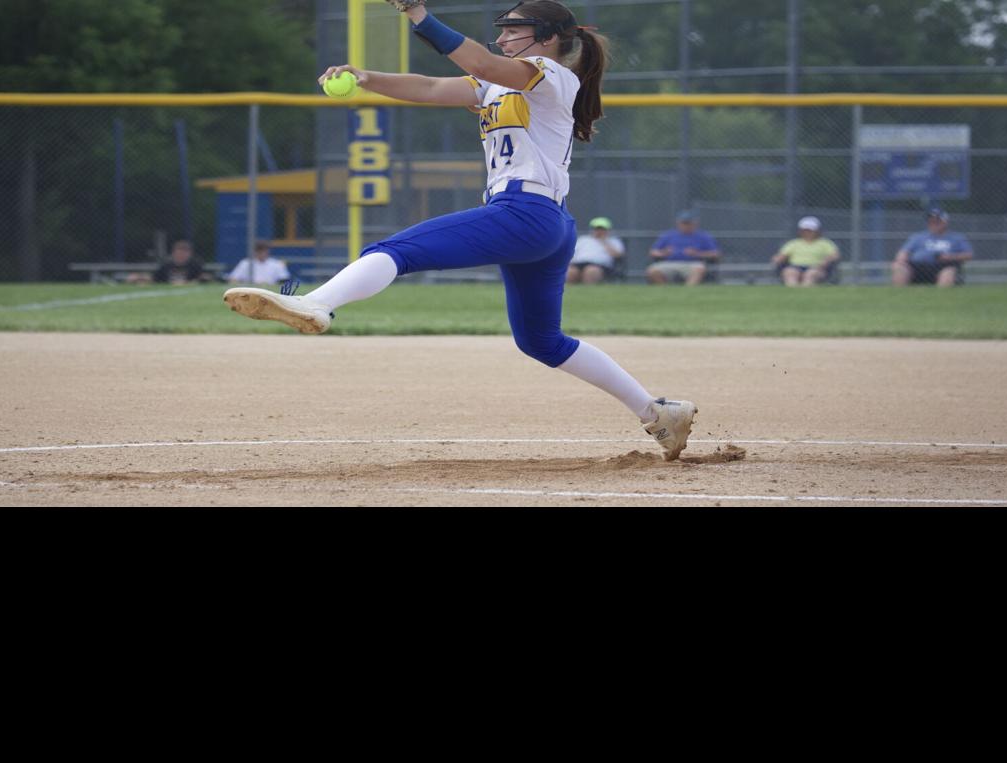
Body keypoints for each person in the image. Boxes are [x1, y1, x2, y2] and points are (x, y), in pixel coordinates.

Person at [221, 1, 697, 460]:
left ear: (549, 38)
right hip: (542, 221)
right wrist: (366, 78)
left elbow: (482, 63)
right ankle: (657, 412)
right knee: (540, 340)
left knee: (397, 249)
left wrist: (418, 14)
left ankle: (317, 303)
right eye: (502, 30)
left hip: (526, 211)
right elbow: (430, 88)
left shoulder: (550, 74)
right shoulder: (496, 85)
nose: (503, 38)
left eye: (514, 30)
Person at [892, 208, 973, 288]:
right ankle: (899, 294)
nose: (933, 223)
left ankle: (941, 295)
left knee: (948, 273)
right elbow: (904, 252)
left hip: (944, 266)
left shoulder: (957, 237)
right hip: (918, 267)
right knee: (900, 268)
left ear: (945, 222)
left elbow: (968, 255)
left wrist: (949, 257)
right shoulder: (918, 236)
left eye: (937, 221)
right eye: (930, 221)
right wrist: (901, 260)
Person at [646, 211, 721, 286]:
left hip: (692, 263)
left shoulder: (703, 236)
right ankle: (666, 290)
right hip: (670, 263)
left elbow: (715, 254)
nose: (686, 226)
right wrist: (664, 252)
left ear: (695, 224)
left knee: (699, 269)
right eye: (684, 223)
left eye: (689, 223)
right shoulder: (668, 235)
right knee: (652, 271)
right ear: (678, 223)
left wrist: (697, 253)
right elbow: (653, 252)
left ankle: (688, 290)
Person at [771, 216, 840, 287]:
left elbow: (835, 255)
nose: (807, 232)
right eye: (805, 230)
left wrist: (825, 262)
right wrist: (778, 259)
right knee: (789, 272)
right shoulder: (793, 243)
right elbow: (782, 255)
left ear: (817, 231)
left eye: (810, 230)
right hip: (795, 267)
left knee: (810, 274)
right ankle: (793, 291)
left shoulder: (825, 243)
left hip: (816, 268)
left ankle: (806, 290)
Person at [567, 216, 623, 284]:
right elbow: (572, 252)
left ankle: (588, 289)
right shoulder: (583, 239)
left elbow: (618, 255)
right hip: (579, 263)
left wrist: (604, 241)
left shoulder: (614, 241)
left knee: (591, 271)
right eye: (596, 229)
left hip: (599, 264)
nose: (599, 231)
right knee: (570, 271)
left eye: (602, 229)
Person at [227, 241, 292, 287]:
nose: (261, 253)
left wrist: (270, 285)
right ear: (254, 251)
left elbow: (284, 280)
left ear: (267, 251)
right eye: (259, 250)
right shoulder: (245, 263)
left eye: (263, 250)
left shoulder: (277, 264)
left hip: (270, 290)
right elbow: (233, 279)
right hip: (250, 289)